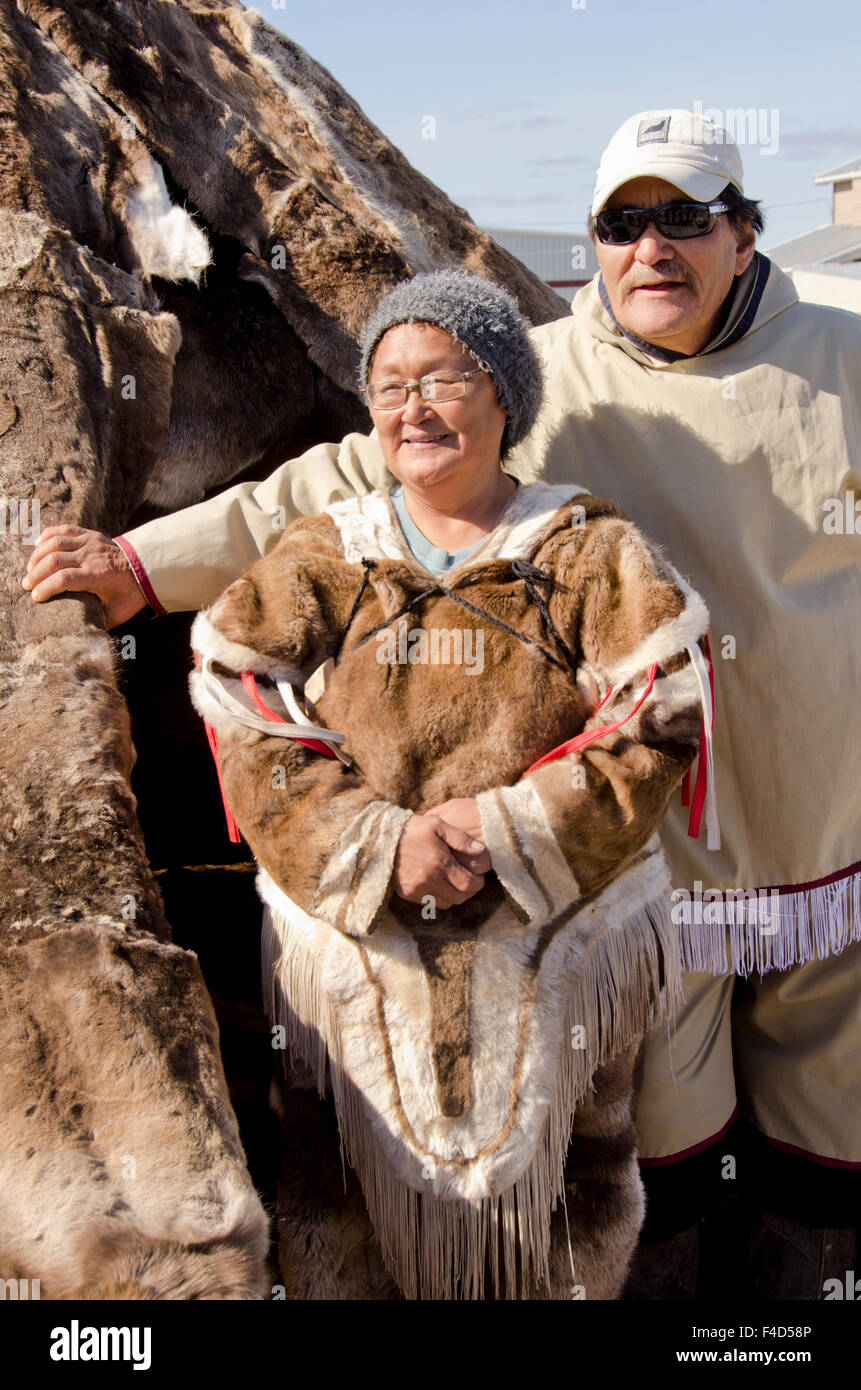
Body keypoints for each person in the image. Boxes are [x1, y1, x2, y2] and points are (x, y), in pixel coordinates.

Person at [25, 110, 861, 1294]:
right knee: (665, 1149)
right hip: (655, 856)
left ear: (744, 231)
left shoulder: (848, 356)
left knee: (835, 1138)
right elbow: (321, 490)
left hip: (832, 827)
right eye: (623, 223)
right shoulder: (535, 368)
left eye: (685, 216)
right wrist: (143, 563)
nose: (652, 248)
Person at [187, 270, 708, 1300]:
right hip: (359, 938)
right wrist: (379, 844)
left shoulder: (586, 548)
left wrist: (503, 830)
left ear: (505, 396)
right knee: (335, 1196)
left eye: (445, 378)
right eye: (388, 386)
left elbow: (662, 707)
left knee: (571, 1196)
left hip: (552, 932)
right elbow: (235, 685)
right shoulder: (333, 549)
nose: (413, 406)